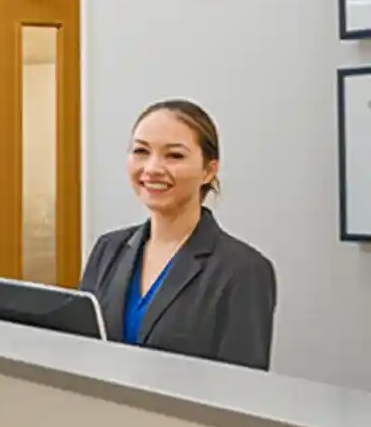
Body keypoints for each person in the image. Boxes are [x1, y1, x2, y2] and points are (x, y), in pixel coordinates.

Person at [80, 99, 277, 370]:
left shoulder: (242, 270)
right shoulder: (108, 249)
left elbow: (241, 389)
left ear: (209, 170)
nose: (152, 168)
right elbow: (81, 353)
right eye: (141, 151)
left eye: (174, 155)